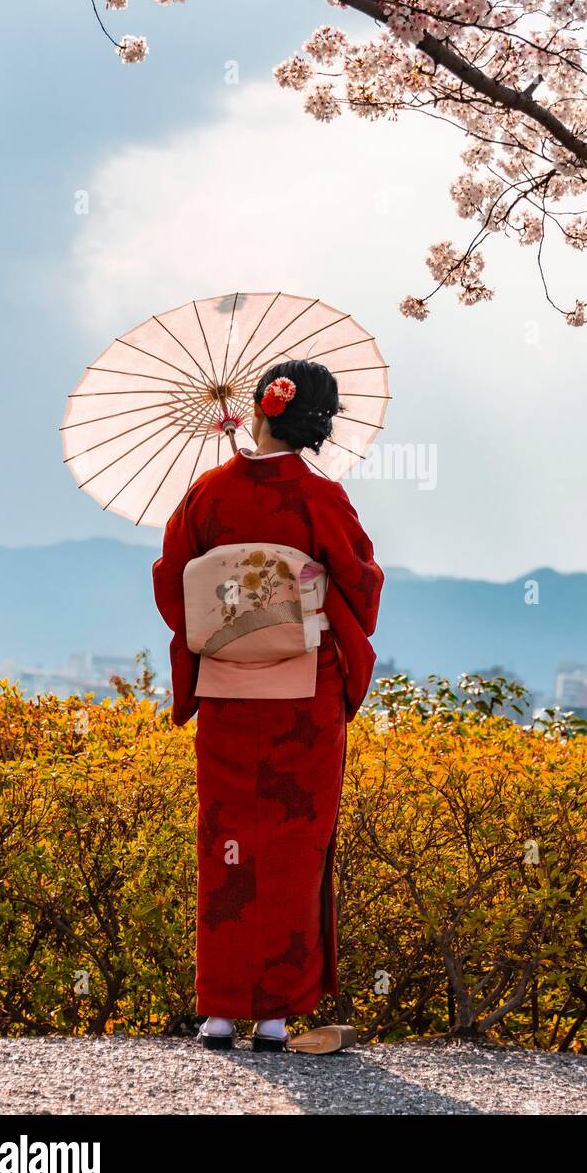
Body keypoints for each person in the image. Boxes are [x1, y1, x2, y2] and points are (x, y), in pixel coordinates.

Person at [152, 358, 383, 1053]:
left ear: (260, 408)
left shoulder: (207, 493)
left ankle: (218, 1013)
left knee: (225, 845)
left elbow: (172, 584)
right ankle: (275, 1018)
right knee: (291, 845)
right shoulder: (322, 497)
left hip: (226, 690)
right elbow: (362, 590)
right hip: (301, 697)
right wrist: (299, 585)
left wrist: (235, 589)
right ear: (319, 419)